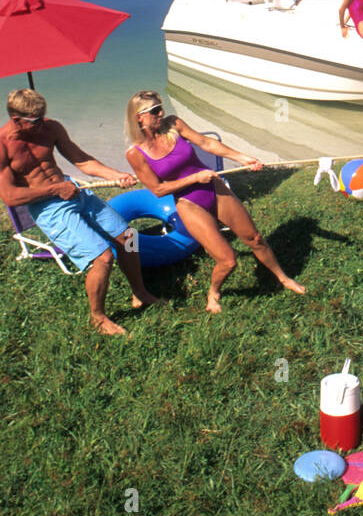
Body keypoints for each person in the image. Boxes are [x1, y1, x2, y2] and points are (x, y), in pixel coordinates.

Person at [125, 90, 305, 314]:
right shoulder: (136, 153)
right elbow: (158, 189)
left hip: (213, 188)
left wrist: (241, 157)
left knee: (255, 238)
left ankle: (283, 278)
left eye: (160, 107)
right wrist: (193, 178)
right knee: (228, 261)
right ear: (138, 117)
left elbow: (206, 143)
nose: (161, 113)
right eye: (154, 111)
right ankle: (214, 293)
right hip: (190, 203)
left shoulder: (174, 125)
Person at [0, 88, 161, 337]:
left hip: (72, 191)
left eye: (44, 117)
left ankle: (139, 292)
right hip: (47, 206)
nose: (43, 123)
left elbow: (81, 160)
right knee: (103, 258)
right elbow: (9, 196)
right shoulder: (2, 146)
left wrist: (114, 174)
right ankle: (98, 318)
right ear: (16, 119)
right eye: (36, 121)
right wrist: (55, 189)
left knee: (129, 237)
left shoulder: (50, 128)